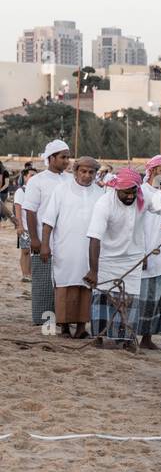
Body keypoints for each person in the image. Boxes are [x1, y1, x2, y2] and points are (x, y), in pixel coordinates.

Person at [86, 168, 161, 350]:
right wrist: (93, 270)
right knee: (103, 297)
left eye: (133, 192)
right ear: (116, 189)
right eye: (126, 192)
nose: (130, 196)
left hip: (132, 258)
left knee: (130, 300)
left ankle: (128, 339)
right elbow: (94, 238)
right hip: (107, 257)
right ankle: (98, 336)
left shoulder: (142, 198)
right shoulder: (105, 203)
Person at [40, 157, 104, 338]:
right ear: (75, 171)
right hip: (65, 247)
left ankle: (82, 327)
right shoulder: (61, 190)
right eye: (83, 171)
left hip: (89, 250)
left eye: (91, 172)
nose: (87, 175)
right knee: (64, 284)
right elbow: (48, 221)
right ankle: (65, 326)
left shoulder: (100, 193)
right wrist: (45, 245)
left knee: (86, 285)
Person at [23, 140, 74, 326]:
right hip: (44, 241)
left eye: (68, 157)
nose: (67, 161)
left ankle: (63, 319)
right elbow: (30, 211)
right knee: (44, 283)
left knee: (64, 283)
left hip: (67, 241)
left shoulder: (71, 179)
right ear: (51, 158)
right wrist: (35, 239)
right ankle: (44, 322)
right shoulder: (38, 181)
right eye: (63, 157)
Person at [134, 156, 161, 350]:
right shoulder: (141, 193)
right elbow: (137, 226)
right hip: (145, 253)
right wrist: (142, 252)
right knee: (141, 299)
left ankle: (147, 339)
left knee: (156, 300)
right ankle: (134, 337)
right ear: (153, 171)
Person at [12, 169, 36, 282]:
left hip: (35, 228)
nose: (33, 177)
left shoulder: (37, 191)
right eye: (31, 175)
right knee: (25, 251)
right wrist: (19, 226)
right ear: (25, 177)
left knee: (33, 252)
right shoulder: (21, 191)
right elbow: (18, 209)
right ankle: (25, 274)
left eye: (35, 176)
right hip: (25, 227)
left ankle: (30, 273)